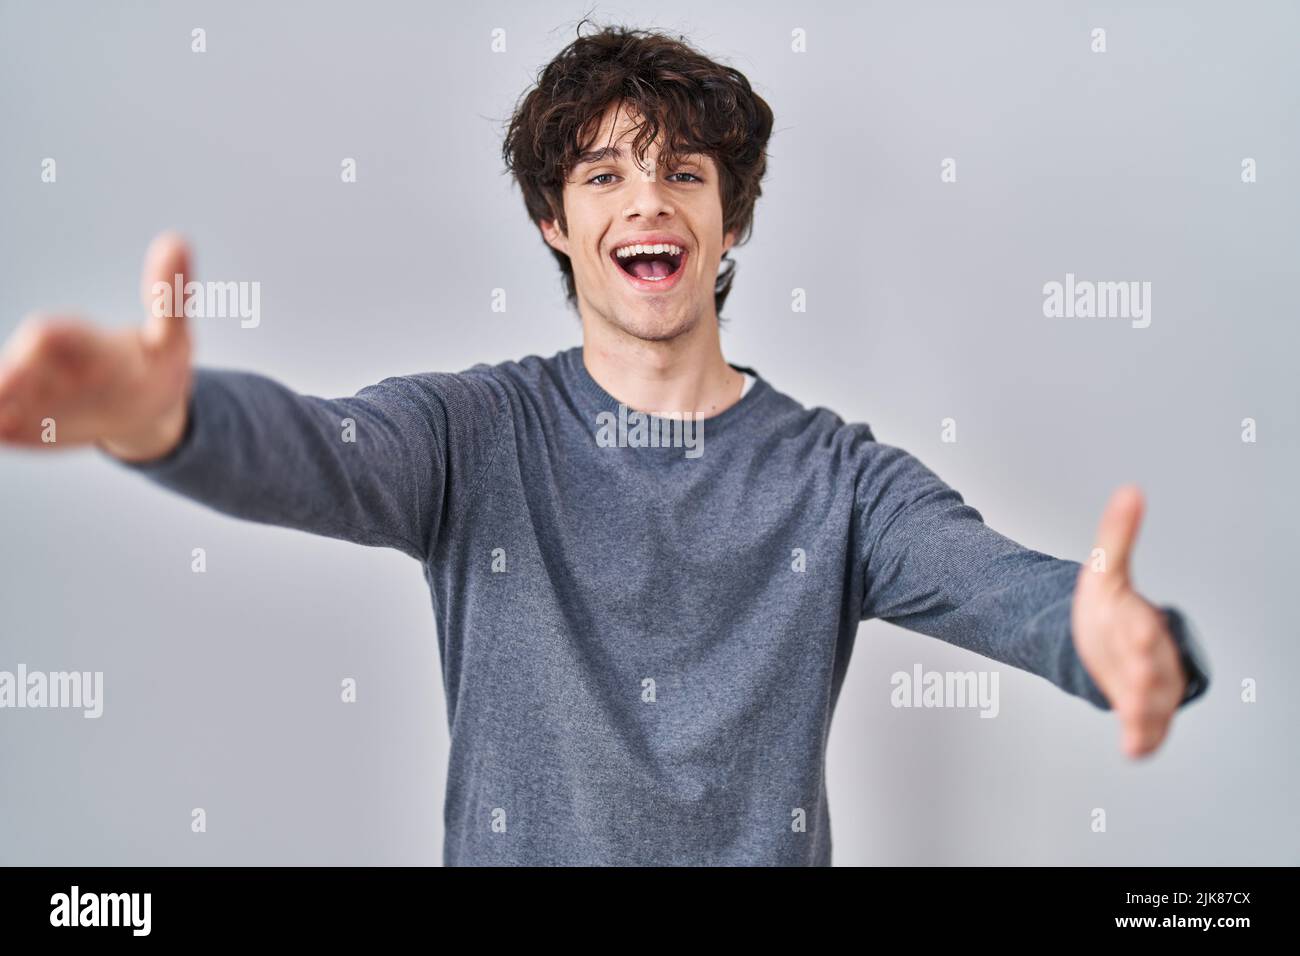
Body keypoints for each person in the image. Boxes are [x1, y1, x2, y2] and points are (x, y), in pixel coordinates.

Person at [0, 23, 1209, 866]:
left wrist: (1117, 634)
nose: (647, 200)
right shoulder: (478, 431)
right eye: (602, 173)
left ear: (727, 223)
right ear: (554, 220)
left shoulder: (838, 477)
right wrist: (162, 418)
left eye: (685, 172)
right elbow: (322, 447)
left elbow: (1002, 583)